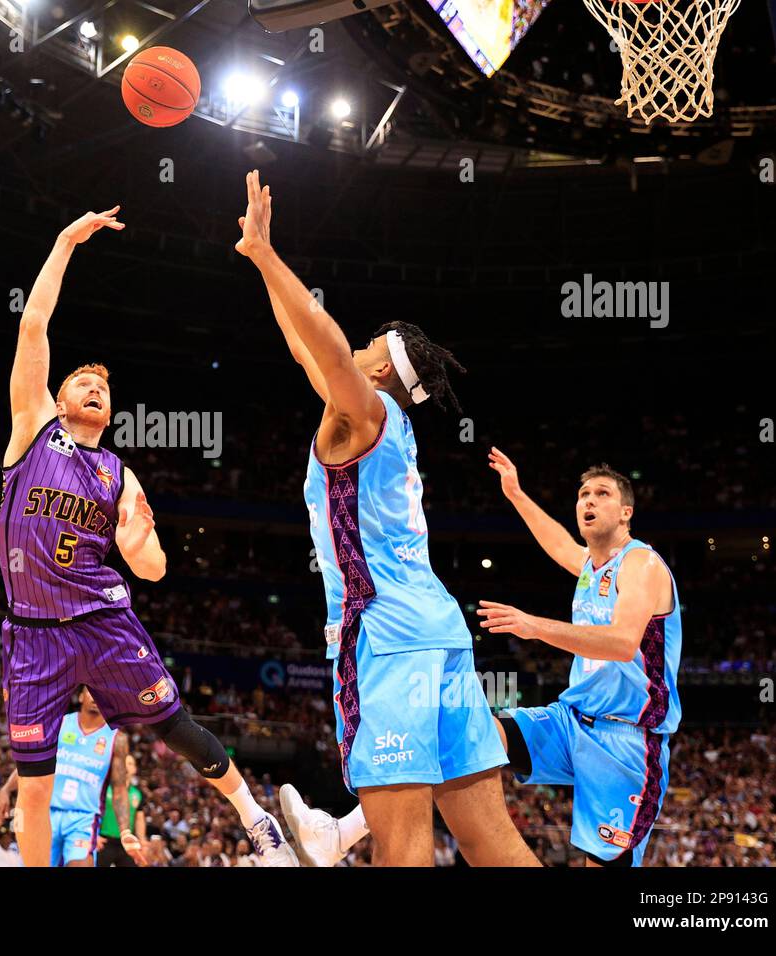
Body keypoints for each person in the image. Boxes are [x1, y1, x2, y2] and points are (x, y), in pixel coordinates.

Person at [233, 171, 536, 867]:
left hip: (389, 641)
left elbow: (328, 351)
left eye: (367, 348)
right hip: (439, 636)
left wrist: (271, 256)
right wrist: (258, 260)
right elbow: (309, 349)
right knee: (491, 840)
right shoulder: (376, 421)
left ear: (375, 373)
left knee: (401, 846)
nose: (350, 351)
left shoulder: (367, 413)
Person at [0, 207, 297, 866]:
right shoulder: (32, 428)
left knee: (175, 727)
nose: (94, 387)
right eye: (83, 381)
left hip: (103, 620)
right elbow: (34, 323)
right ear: (61, 397)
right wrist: (63, 240)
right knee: (35, 792)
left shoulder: (120, 474)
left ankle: (255, 818)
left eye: (103, 386)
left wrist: (139, 537)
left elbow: (151, 569)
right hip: (34, 633)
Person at [477, 455, 682, 866]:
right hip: (571, 722)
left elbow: (624, 643)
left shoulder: (641, 564)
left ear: (626, 513)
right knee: (476, 735)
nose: (588, 500)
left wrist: (534, 626)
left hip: (626, 742)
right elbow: (558, 543)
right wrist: (516, 494)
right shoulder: (591, 567)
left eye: (601, 494)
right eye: (583, 494)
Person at [0, 689, 143, 867]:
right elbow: (32, 766)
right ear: (81, 696)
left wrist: (125, 830)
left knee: (81, 864)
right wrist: (6, 789)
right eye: (91, 691)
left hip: (84, 819)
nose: (97, 696)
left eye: (103, 693)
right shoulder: (59, 724)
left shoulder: (117, 739)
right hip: (46, 811)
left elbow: (119, 789)